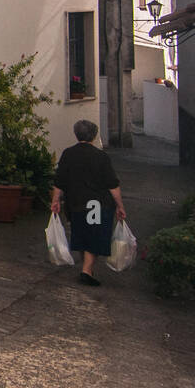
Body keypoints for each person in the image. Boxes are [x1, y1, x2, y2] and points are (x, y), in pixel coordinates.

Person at [50, 120, 126, 286]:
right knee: (94, 235)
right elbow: (112, 185)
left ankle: (87, 268)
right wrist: (120, 206)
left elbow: (59, 181)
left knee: (82, 233)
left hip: (75, 203)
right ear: (94, 135)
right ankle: (86, 270)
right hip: (96, 205)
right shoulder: (101, 157)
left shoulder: (68, 154)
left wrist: (55, 201)